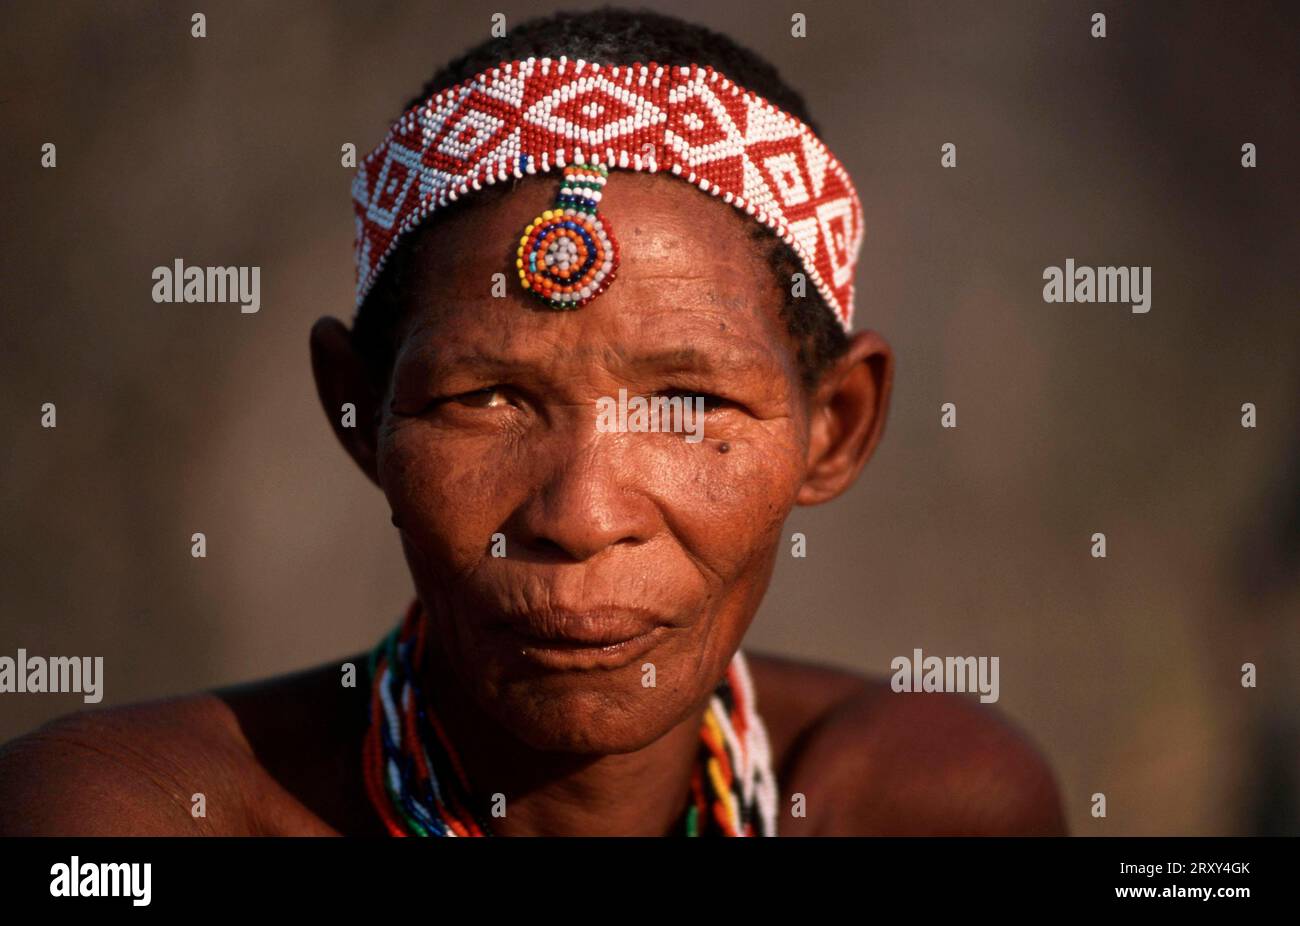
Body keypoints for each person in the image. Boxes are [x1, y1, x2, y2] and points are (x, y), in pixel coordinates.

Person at [0, 8, 1065, 836]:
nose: (580, 512)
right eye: (487, 398)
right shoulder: (127, 818)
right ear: (359, 411)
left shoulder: (924, 802)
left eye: (687, 403)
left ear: (834, 426)